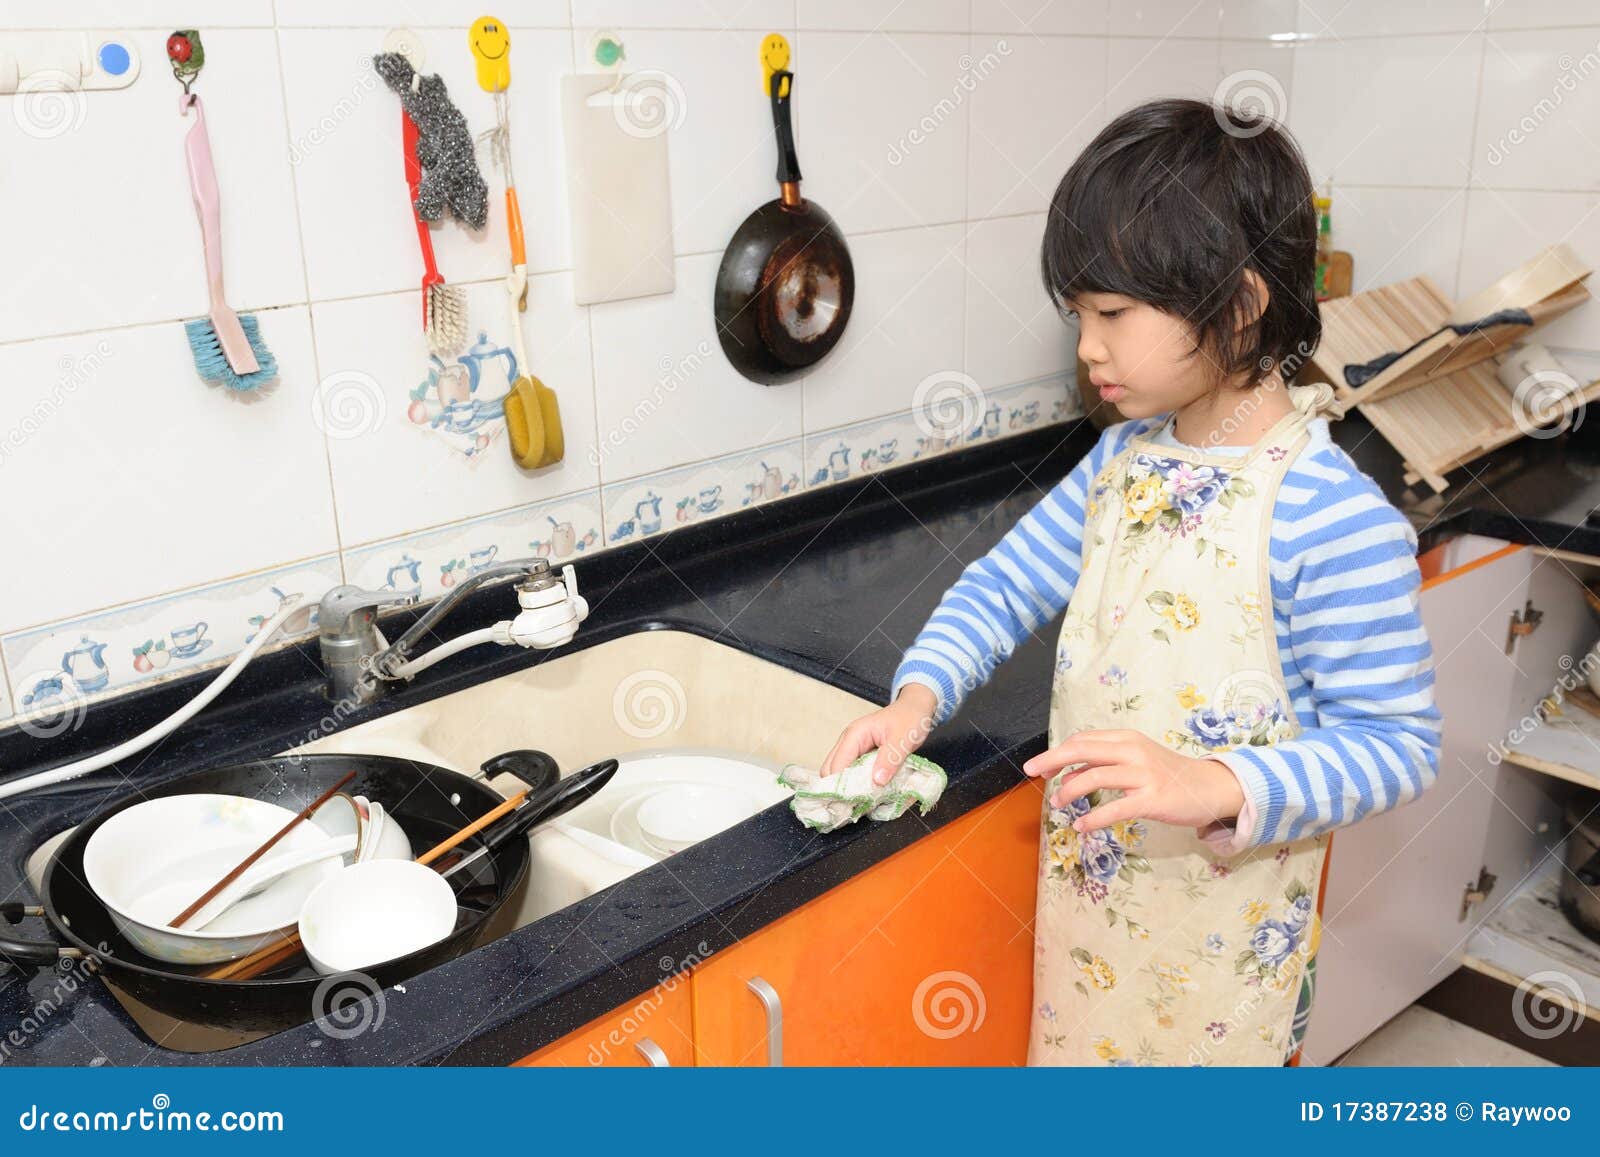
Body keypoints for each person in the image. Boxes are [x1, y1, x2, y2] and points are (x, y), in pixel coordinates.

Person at [820, 98, 1441, 1066]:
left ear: (1237, 306)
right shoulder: (1119, 462)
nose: (1086, 347)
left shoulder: (1332, 515)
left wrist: (1214, 779)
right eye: (1077, 315)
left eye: (1111, 313)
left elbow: (1395, 746)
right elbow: (1000, 587)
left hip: (1225, 949)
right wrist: (916, 695)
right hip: (1094, 913)